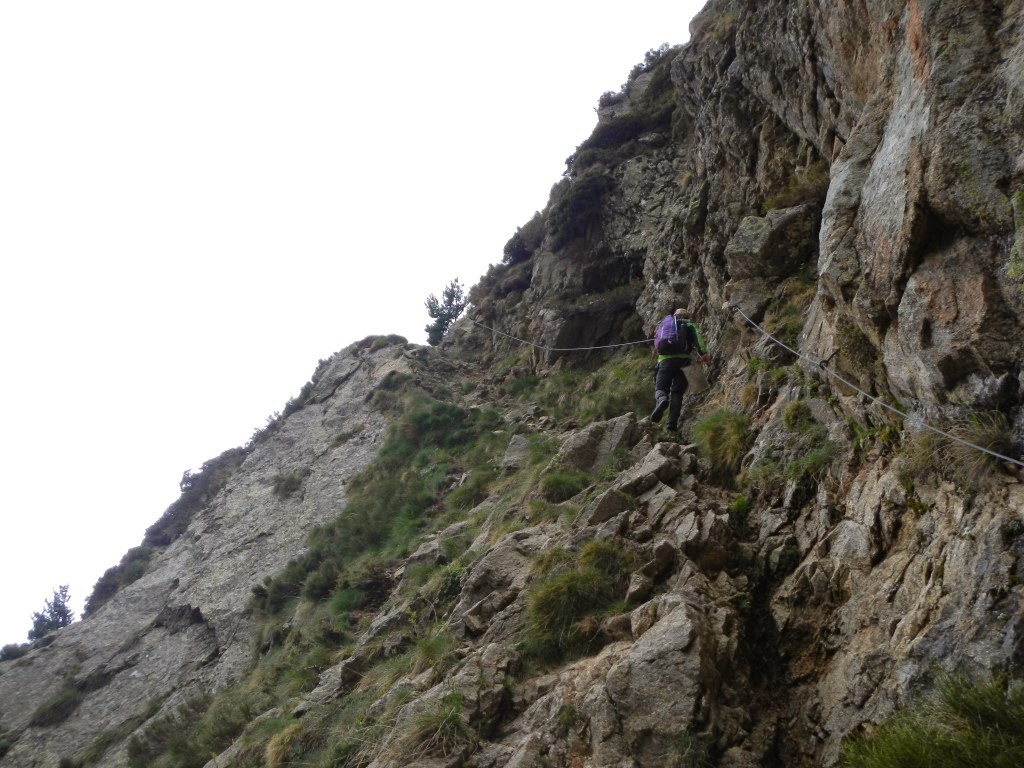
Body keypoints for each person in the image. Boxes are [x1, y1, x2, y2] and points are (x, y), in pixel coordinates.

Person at [651, 308, 710, 430]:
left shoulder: (664, 326)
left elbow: (657, 344)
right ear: (687, 316)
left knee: (660, 388)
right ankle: (672, 424)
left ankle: (662, 399)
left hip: (665, 360)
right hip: (684, 361)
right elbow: (698, 339)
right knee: (677, 393)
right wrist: (703, 353)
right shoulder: (689, 324)